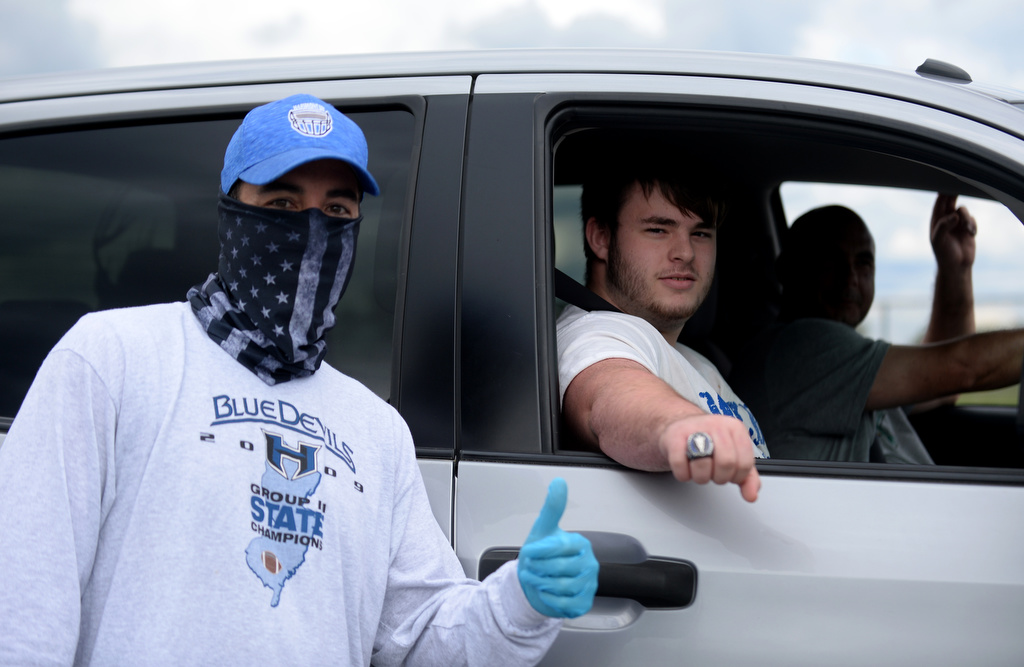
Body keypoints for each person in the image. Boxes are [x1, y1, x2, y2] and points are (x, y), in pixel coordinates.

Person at [0, 94, 598, 666]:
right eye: (282, 205)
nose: (311, 230)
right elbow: (22, 604)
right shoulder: (112, 359)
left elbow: (420, 639)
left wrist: (519, 603)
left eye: (337, 211)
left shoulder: (376, 429)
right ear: (231, 210)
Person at [729, 195, 1024, 462]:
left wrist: (955, 268)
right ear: (788, 269)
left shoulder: (849, 364)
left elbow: (943, 386)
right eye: (830, 261)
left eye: (863, 263)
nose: (851, 278)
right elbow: (963, 367)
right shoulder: (801, 348)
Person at [557, 161, 768, 504]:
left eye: (700, 233)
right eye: (658, 229)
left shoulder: (696, 359)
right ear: (601, 238)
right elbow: (611, 392)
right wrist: (682, 427)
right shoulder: (594, 335)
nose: (684, 253)